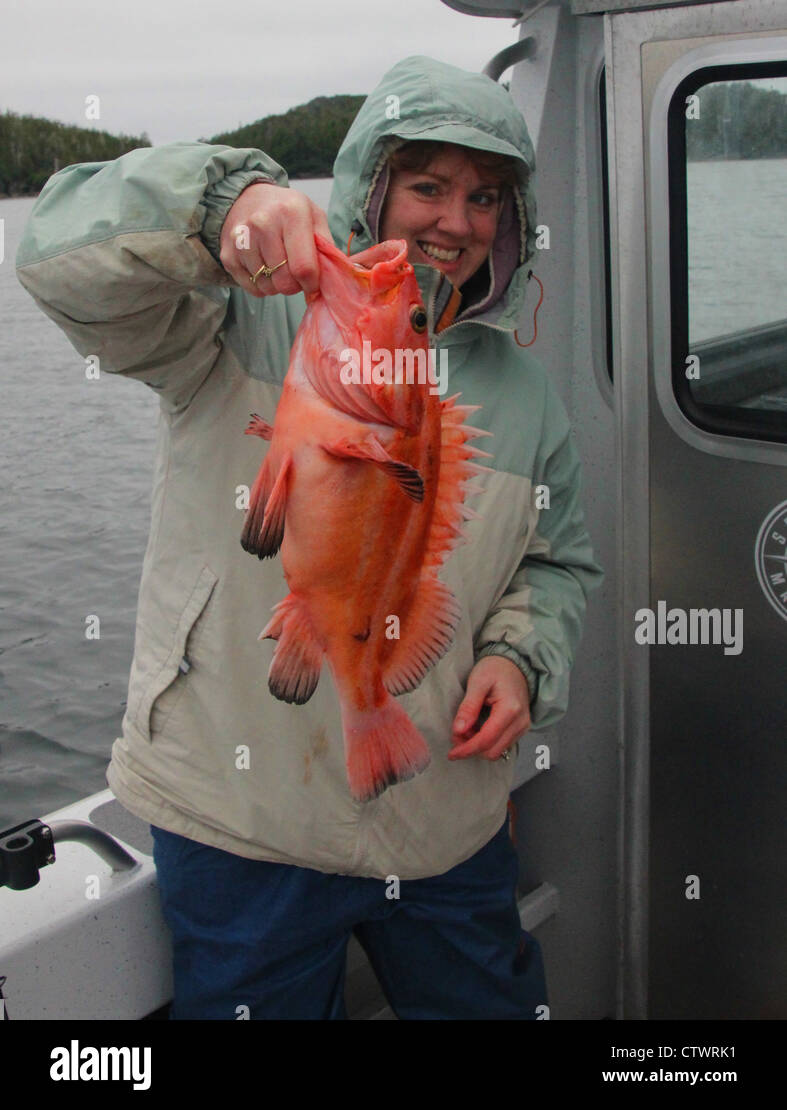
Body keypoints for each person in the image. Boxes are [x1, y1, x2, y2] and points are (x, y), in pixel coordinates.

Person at [15, 54, 603, 1020]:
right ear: (371, 185)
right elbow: (54, 256)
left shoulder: (524, 393)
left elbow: (554, 559)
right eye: (426, 186)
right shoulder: (239, 315)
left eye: (485, 197)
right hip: (242, 824)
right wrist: (216, 207)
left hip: (443, 824)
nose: (454, 221)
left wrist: (518, 659)